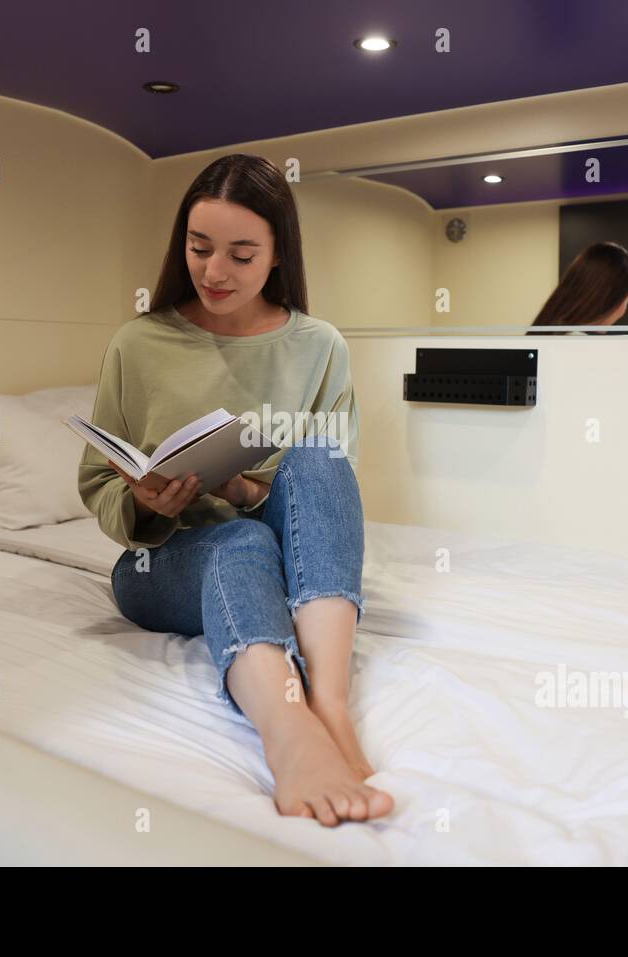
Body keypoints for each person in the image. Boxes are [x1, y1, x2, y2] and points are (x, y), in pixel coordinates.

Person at [77, 154, 394, 827]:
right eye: (199, 248)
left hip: (274, 545)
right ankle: (288, 729)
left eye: (241, 254)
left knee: (315, 456)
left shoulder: (321, 346)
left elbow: (325, 496)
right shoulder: (138, 342)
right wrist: (144, 502)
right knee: (238, 541)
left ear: (278, 254)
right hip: (162, 563)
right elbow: (99, 479)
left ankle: (330, 704)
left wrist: (247, 487)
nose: (214, 271)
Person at [526, 241, 628, 335]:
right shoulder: (579, 346)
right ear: (606, 299)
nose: (623, 312)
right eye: (627, 301)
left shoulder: (551, 331)